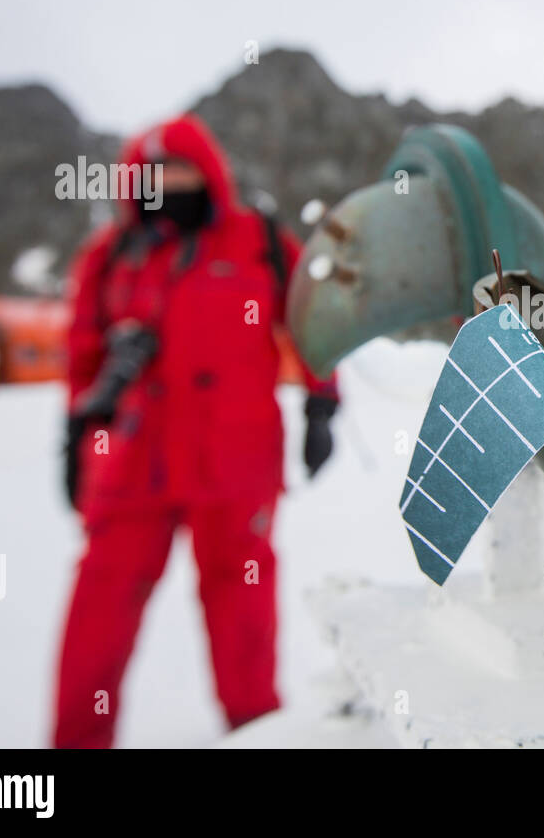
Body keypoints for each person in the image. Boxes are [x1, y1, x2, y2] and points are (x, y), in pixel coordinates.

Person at [54, 115, 339, 748]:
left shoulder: (257, 239)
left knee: (243, 619)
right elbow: (81, 358)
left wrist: (323, 403)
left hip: (234, 463)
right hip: (133, 465)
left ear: (208, 174)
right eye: (155, 173)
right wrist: (78, 437)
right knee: (96, 621)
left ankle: (256, 734)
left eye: (180, 170)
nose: (168, 183)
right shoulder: (109, 256)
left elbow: (314, 323)